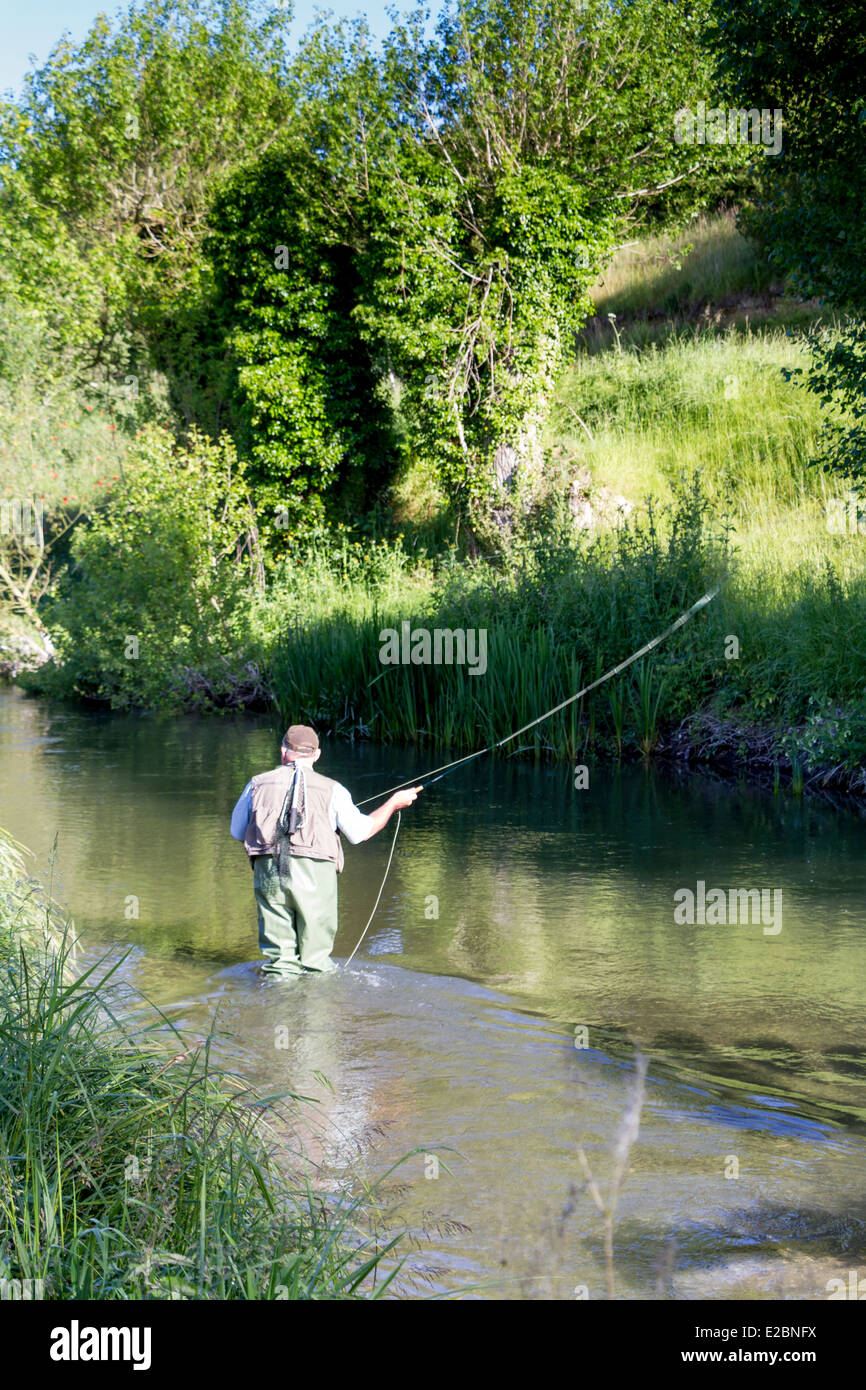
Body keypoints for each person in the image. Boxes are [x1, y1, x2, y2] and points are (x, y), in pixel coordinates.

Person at [230, 724, 421, 975]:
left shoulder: (256, 785)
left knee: (280, 965)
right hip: (315, 877)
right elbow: (361, 832)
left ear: (283, 751)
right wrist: (394, 803)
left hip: (270, 874)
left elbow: (237, 831)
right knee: (316, 963)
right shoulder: (334, 789)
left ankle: (278, 1007)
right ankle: (315, 1011)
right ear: (317, 754)